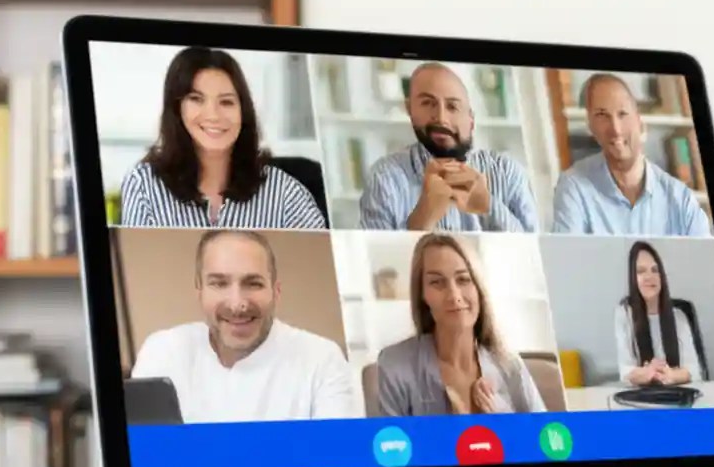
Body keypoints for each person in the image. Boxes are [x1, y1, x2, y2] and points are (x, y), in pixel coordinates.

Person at [130, 229, 355, 423]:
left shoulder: (323, 359)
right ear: (199, 291)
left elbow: (339, 460)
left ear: (276, 291)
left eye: (253, 283)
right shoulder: (161, 351)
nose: (237, 304)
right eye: (219, 283)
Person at [118, 46, 327, 229]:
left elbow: (324, 266)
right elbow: (133, 270)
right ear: (177, 109)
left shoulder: (284, 192)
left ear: (243, 112)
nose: (214, 115)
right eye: (196, 99)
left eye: (226, 102)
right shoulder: (144, 184)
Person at [377, 232, 548, 416]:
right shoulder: (394, 365)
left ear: (478, 289)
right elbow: (386, 442)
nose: (454, 296)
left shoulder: (511, 366)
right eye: (437, 282)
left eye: (463, 279)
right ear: (422, 294)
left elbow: (545, 439)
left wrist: (502, 418)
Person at [358, 62, 539, 232]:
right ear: (410, 109)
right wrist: (423, 216)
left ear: (471, 120)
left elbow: (535, 256)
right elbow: (374, 263)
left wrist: (489, 206)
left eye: (452, 107)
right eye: (428, 103)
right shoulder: (384, 177)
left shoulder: (508, 172)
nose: (441, 118)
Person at [552, 72, 711, 237]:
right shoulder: (574, 187)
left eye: (622, 114)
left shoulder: (681, 199)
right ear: (590, 127)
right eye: (602, 115)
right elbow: (567, 260)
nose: (616, 129)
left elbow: (705, 261)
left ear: (640, 123)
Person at [614, 240, 706, 386]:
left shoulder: (679, 316)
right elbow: (625, 372)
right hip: (641, 397)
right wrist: (647, 373)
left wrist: (672, 375)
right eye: (641, 271)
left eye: (655, 270)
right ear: (633, 278)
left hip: (676, 394)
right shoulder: (624, 314)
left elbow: (695, 370)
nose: (649, 276)